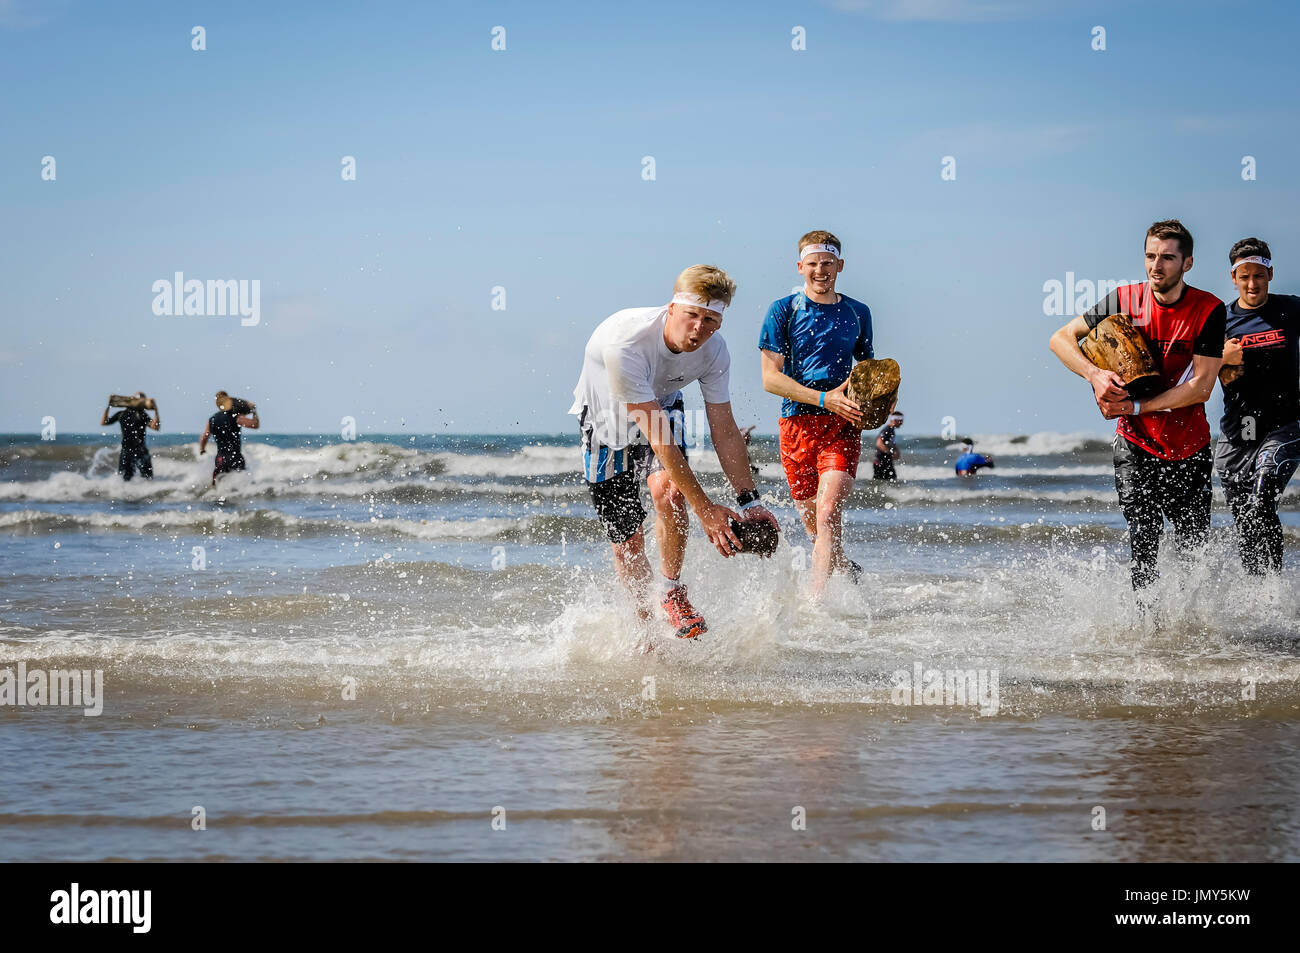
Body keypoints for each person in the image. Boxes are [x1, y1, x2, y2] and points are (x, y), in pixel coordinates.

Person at [569, 265, 777, 640]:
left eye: (711, 320)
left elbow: (725, 430)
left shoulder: (715, 352)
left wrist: (749, 501)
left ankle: (671, 591)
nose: (699, 329)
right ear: (671, 308)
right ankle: (645, 629)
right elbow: (659, 440)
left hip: (662, 407)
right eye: (692, 316)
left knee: (669, 489)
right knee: (627, 545)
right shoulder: (627, 344)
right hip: (604, 424)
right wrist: (707, 511)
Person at [1048, 219, 1225, 592]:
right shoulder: (1123, 299)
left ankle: (1195, 636)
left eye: (1167, 258)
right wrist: (1094, 374)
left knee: (1193, 547)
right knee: (1143, 538)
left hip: (1188, 446)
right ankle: (1147, 632)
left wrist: (1135, 407)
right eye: (1149, 256)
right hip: (1135, 443)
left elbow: (1202, 387)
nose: (1156, 266)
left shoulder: (1209, 309)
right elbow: (1060, 338)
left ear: (1187, 263)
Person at [759, 230, 874, 595]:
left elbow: (869, 371)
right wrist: (824, 399)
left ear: (840, 265)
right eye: (813, 263)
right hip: (795, 425)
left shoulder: (858, 312)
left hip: (842, 425)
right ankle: (844, 570)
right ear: (800, 267)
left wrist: (877, 403)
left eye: (827, 263)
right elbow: (770, 379)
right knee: (816, 528)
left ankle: (815, 608)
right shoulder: (783, 310)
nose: (820, 270)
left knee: (827, 515)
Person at [1214, 238, 1300, 574]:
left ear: (1270, 274)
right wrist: (1221, 356)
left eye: (1260, 275)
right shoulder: (1218, 320)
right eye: (1245, 276)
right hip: (1238, 434)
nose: (1253, 284)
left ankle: (1273, 588)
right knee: (1247, 522)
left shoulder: (1290, 309)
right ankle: (1257, 590)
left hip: (1284, 427)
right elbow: (1192, 367)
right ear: (1233, 277)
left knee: (1263, 502)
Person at [199, 391, 259, 486]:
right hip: (235, 457)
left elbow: (205, 435)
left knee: (215, 486)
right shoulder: (236, 417)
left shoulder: (212, 419)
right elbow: (255, 425)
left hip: (220, 458)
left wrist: (202, 449)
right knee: (244, 485)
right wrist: (254, 411)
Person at [100, 393, 160, 481]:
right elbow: (104, 422)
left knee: (148, 478)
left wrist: (155, 410)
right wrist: (109, 406)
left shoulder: (142, 415)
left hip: (141, 450)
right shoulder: (121, 414)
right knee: (124, 479)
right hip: (126, 450)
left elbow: (155, 427)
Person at [873, 411, 903, 481]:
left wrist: (896, 451)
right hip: (881, 462)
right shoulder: (888, 429)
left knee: (891, 481)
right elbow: (879, 443)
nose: (902, 423)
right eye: (901, 421)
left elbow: (891, 443)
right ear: (895, 420)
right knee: (886, 482)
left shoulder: (892, 430)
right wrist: (890, 453)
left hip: (886, 462)